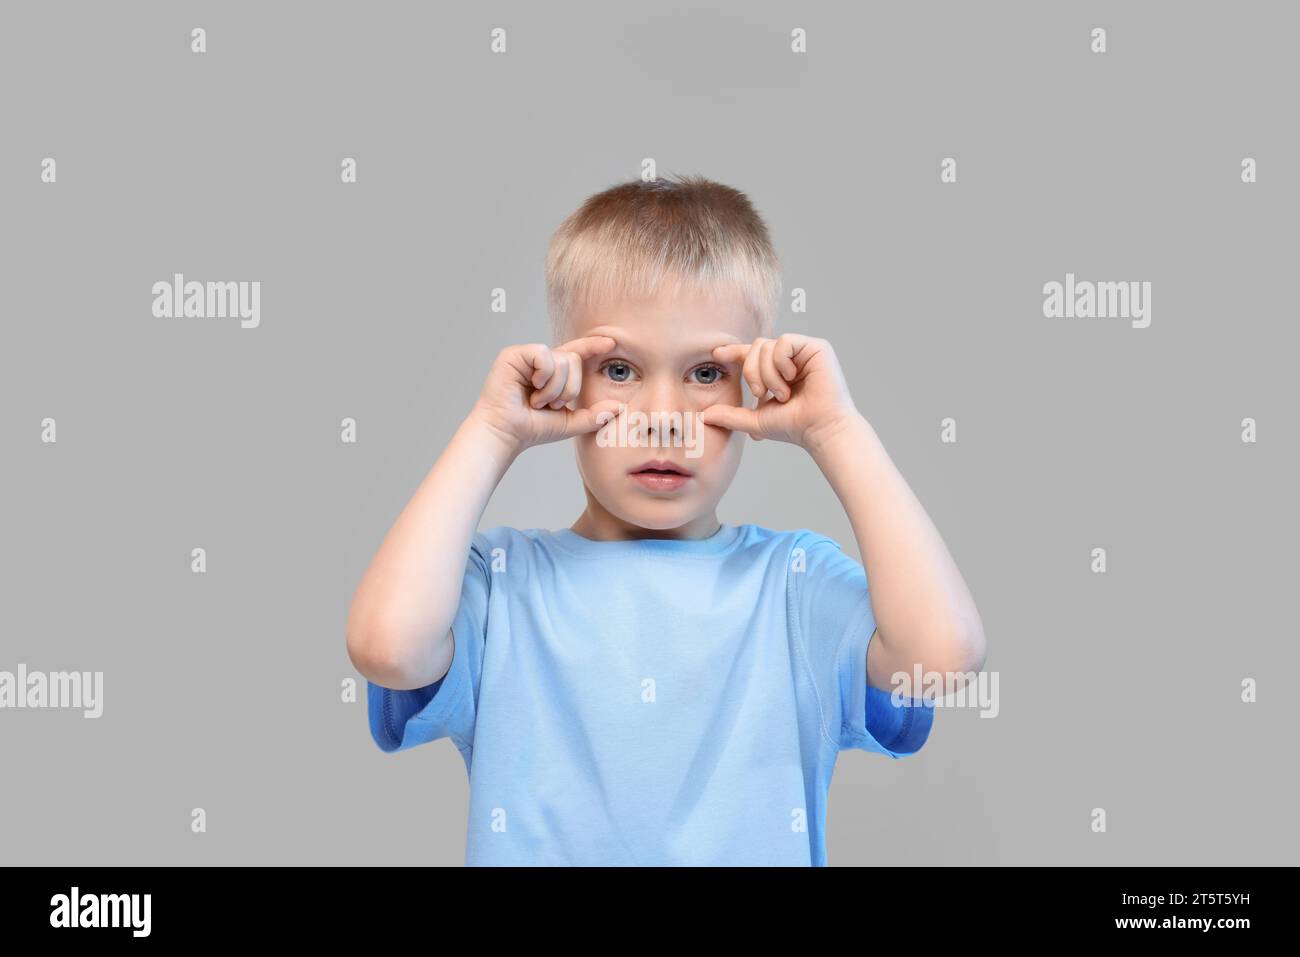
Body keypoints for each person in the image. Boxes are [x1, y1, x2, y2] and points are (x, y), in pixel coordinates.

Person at [346, 173, 986, 865]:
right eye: (619, 368)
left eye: (707, 372)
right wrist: (492, 428)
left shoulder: (795, 586)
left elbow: (942, 657)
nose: (663, 420)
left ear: (758, 381)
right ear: (561, 377)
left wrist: (837, 428)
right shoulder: (503, 586)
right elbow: (388, 646)